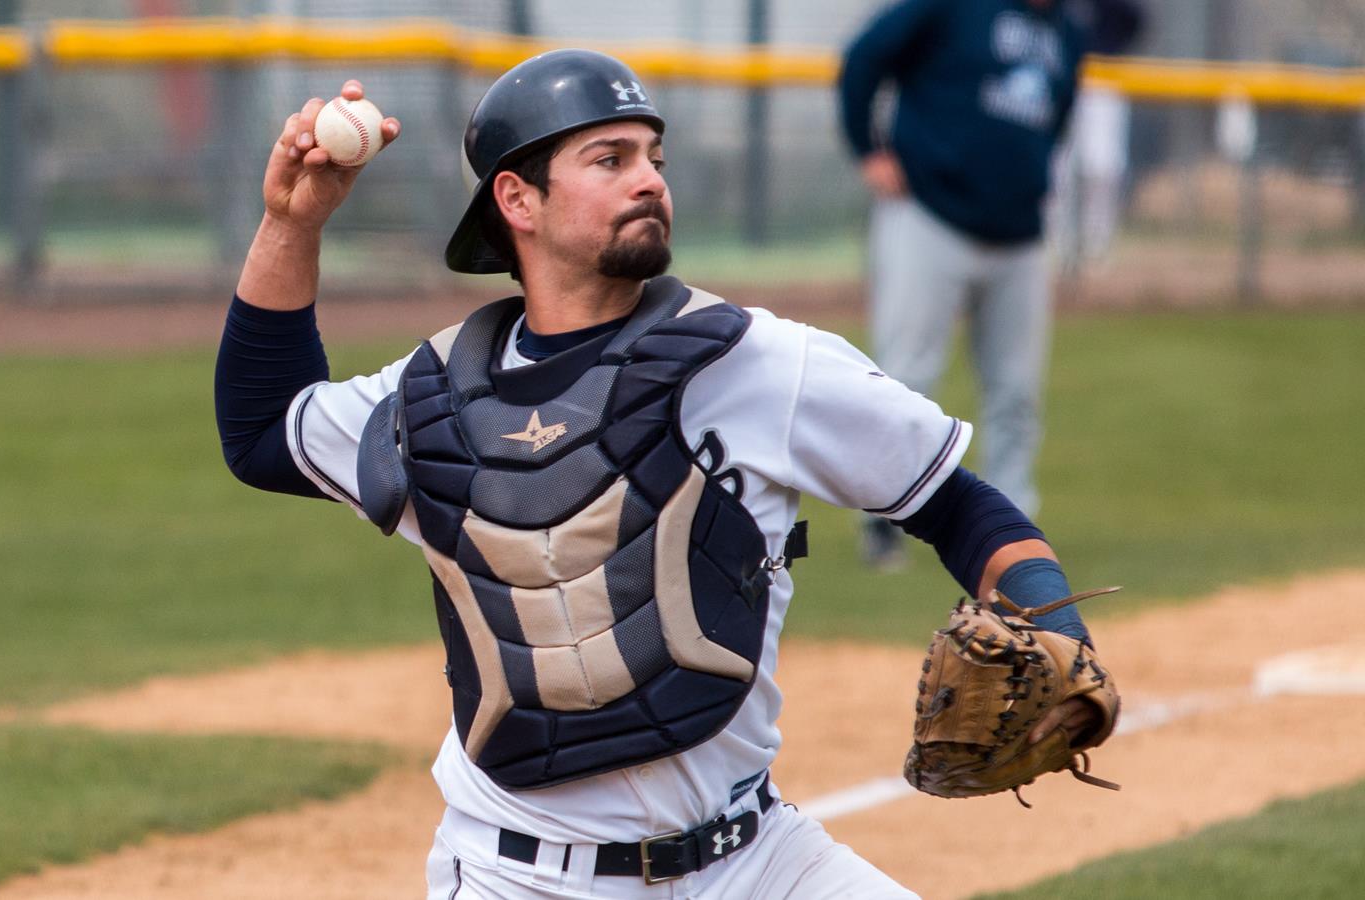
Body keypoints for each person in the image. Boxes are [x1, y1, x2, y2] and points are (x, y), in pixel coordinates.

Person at [217, 50, 1109, 898]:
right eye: (609, 158)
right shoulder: (432, 400)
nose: (649, 178)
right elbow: (263, 432)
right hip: (513, 875)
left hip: (756, 864)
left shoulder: (760, 362)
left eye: (654, 156)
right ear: (518, 200)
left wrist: (1066, 635)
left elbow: (955, 504)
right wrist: (291, 222)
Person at [838, 0, 1089, 569]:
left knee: (1017, 392)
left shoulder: (1066, 33)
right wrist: (867, 148)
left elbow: (1059, 114)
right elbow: (863, 58)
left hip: (1020, 237)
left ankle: (1015, 533)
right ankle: (883, 518)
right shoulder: (951, 6)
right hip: (928, 216)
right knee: (906, 377)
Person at [1054, 0, 1147, 272]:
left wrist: (1111, 49)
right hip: (1061, 74)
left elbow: (1135, 20)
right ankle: (1059, 240)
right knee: (1058, 167)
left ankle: (1098, 241)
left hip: (1104, 79)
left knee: (1103, 166)